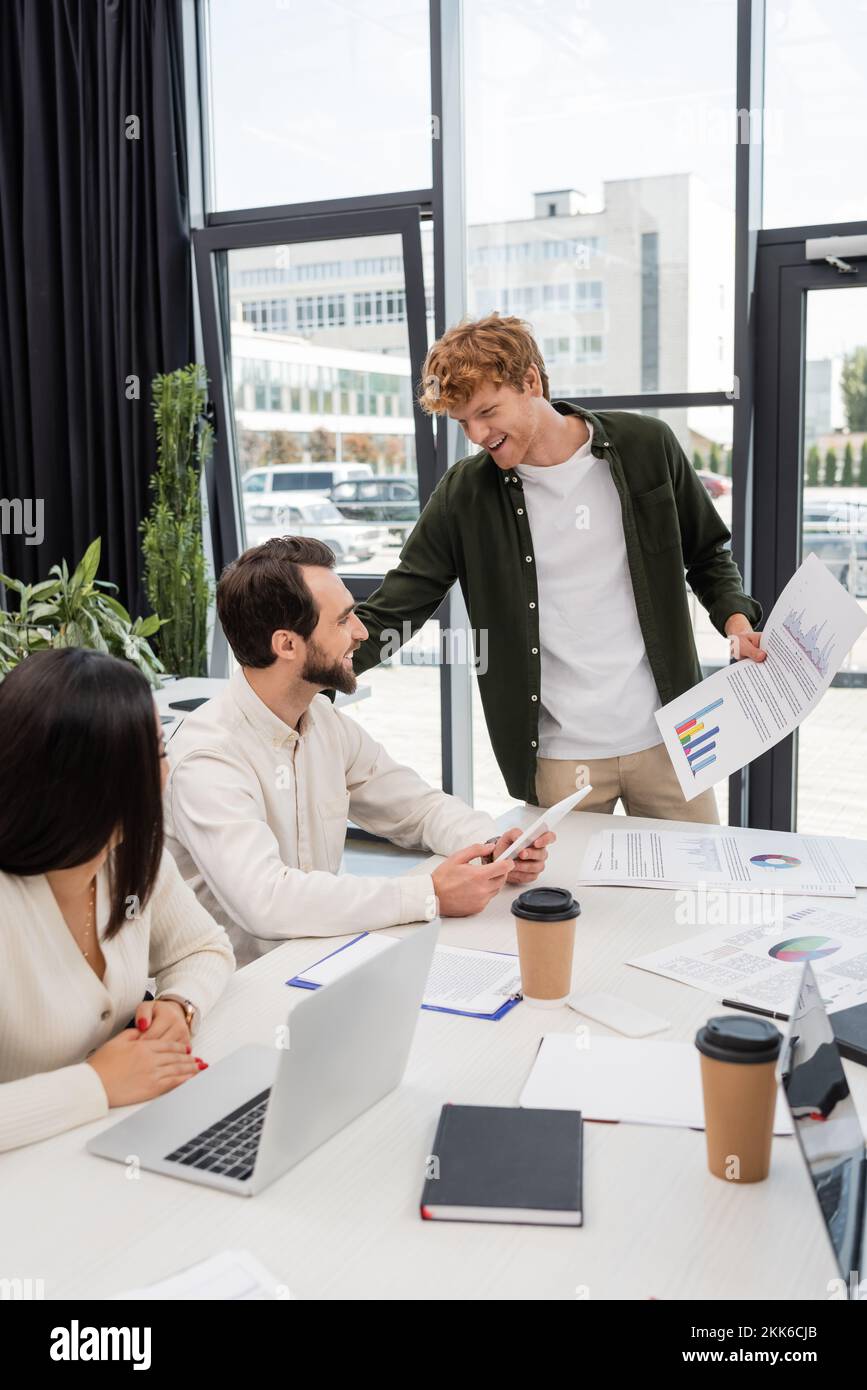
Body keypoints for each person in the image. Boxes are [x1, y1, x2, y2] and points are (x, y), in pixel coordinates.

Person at [352, 314, 765, 823]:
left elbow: (706, 553)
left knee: (691, 892)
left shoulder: (646, 447)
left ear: (531, 381)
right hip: (560, 757)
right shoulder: (465, 494)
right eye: (462, 422)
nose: (477, 434)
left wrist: (736, 620)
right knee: (563, 902)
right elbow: (399, 604)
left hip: (672, 741)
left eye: (486, 412)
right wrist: (315, 678)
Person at [164, 536, 553, 967]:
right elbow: (267, 901)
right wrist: (428, 894)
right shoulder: (207, 757)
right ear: (287, 645)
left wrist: (492, 846)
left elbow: (418, 808)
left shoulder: (323, 722)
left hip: (321, 960)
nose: (362, 632)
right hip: (239, 992)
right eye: (343, 620)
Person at [0, 648, 235, 1152]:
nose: (168, 769)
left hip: (106, 1147)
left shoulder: (129, 856)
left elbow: (202, 948)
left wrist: (179, 1004)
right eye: (157, 751)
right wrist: (97, 1084)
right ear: (96, 781)